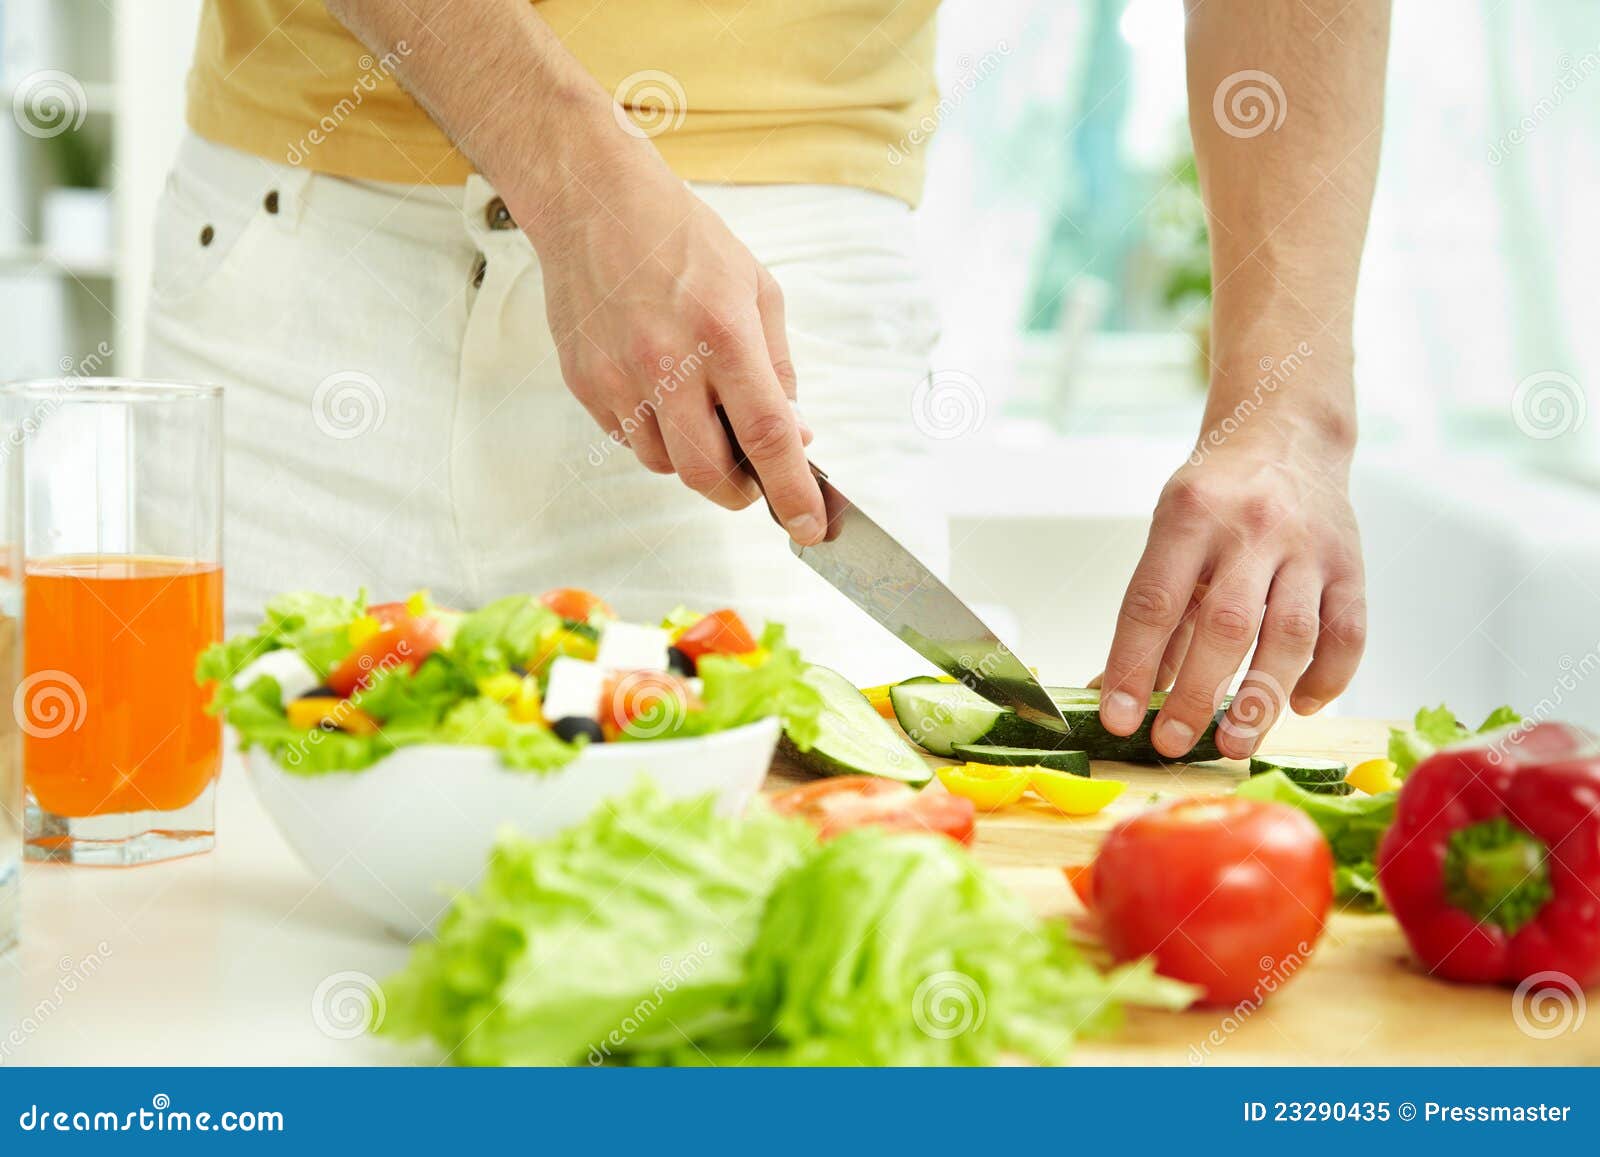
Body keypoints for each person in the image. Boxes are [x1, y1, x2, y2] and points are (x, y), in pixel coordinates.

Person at [145, 0, 1387, 760]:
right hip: (293, 264)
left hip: (765, 310)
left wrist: (1289, 406)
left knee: (803, 972)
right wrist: (569, 172)